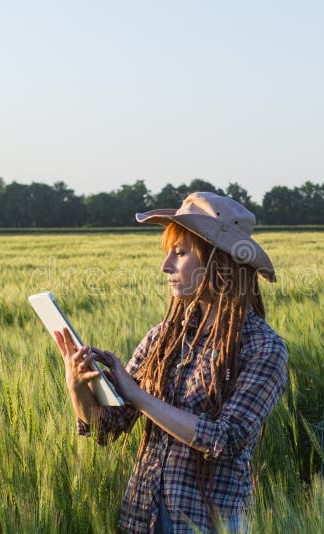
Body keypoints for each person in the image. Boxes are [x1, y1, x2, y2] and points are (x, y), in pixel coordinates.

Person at [54, 192, 288, 533]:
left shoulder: (264, 348)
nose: (166, 266)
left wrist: (137, 395)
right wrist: (78, 387)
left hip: (209, 524)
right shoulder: (163, 337)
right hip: (142, 519)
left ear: (218, 261)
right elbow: (108, 428)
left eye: (179, 253)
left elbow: (225, 439)